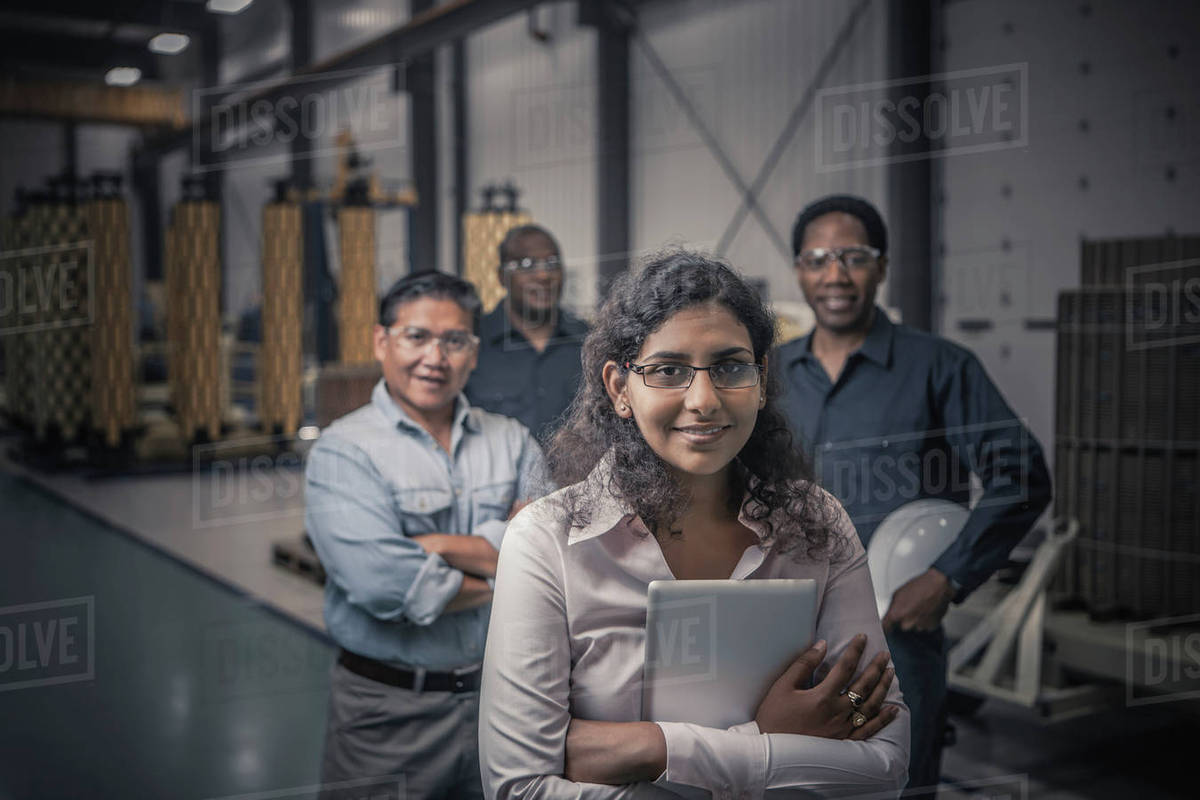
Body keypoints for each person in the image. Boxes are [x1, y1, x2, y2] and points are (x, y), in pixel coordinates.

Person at [479, 251, 910, 798]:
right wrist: (770, 745)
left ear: (760, 378)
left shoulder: (815, 524)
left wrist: (653, 749)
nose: (704, 400)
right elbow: (520, 790)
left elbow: (885, 767)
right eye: (668, 370)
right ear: (619, 389)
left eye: (730, 366)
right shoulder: (549, 541)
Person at [776, 195, 1053, 791]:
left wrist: (948, 576)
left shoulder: (940, 368)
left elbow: (1022, 474)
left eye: (853, 257)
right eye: (818, 258)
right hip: (783, 636)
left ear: (881, 266)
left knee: (898, 783)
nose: (835, 275)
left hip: (893, 640)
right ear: (799, 270)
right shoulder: (768, 376)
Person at [305, 271, 550, 799]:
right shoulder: (344, 452)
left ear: (474, 352)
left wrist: (435, 547)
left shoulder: (511, 441)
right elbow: (382, 583)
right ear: (381, 341)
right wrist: (503, 562)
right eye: (416, 336)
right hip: (387, 716)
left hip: (505, 704)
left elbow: (552, 553)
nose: (435, 358)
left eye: (453, 341)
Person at [465, 224, 588, 444]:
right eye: (527, 265)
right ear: (502, 277)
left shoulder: (592, 342)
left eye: (552, 263)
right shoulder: (471, 343)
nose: (543, 275)